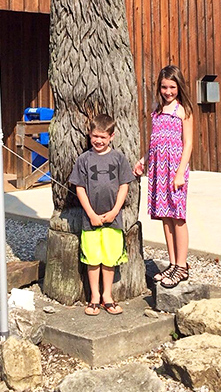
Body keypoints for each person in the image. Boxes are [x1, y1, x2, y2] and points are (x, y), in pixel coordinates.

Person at [69, 113, 135, 316]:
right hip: (91, 220)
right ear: (90, 134)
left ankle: (107, 295)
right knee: (93, 258)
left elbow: (124, 184)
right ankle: (94, 297)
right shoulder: (84, 160)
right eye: (95, 136)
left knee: (109, 259)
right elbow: (79, 187)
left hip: (113, 219)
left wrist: (115, 210)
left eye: (103, 137)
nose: (98, 140)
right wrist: (90, 214)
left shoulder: (118, 158)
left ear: (111, 137)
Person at [134, 65, 193, 288]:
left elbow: (187, 144)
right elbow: (154, 142)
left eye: (172, 87)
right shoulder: (157, 111)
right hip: (159, 168)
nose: (168, 91)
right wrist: (144, 160)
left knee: (178, 216)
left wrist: (180, 173)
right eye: (164, 87)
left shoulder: (183, 110)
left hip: (174, 168)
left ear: (179, 87)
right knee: (165, 216)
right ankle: (172, 262)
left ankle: (182, 265)